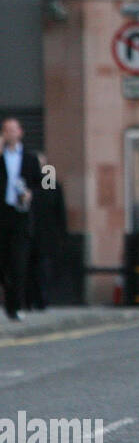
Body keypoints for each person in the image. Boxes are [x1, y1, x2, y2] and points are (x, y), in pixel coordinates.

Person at [0, 118, 41, 321]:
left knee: (18, 264)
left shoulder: (32, 158)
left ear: (21, 132)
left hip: (21, 215)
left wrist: (31, 194)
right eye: (6, 130)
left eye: (13, 129)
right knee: (3, 263)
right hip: (2, 214)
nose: (10, 133)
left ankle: (14, 307)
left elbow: (45, 186)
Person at [25, 151, 67, 311]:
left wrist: (61, 234)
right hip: (28, 233)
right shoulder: (27, 182)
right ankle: (30, 300)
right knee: (29, 269)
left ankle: (41, 300)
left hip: (45, 235)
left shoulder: (50, 184)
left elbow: (59, 211)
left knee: (42, 269)